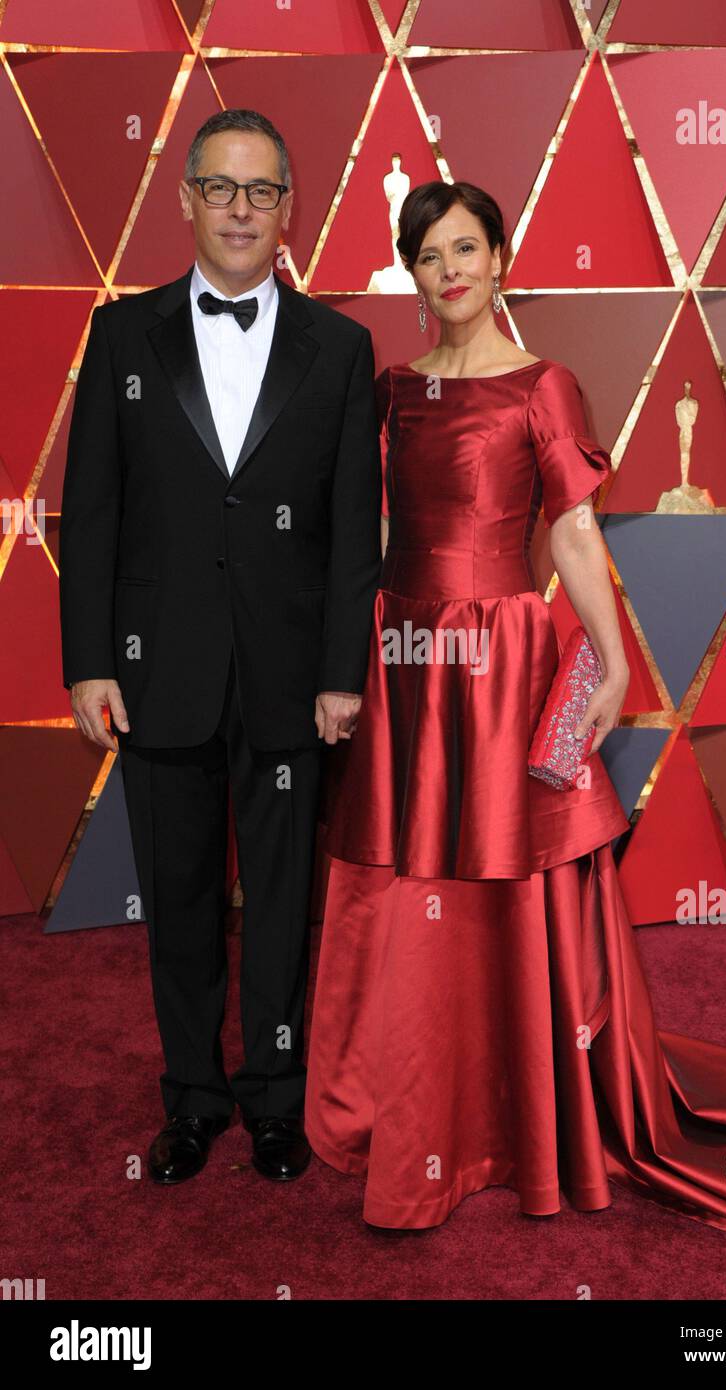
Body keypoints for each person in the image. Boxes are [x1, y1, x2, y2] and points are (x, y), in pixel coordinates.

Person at [304, 180, 726, 1248]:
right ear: (409, 273)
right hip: (406, 654)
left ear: (501, 257)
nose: (448, 270)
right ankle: (413, 1098)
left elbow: (567, 535)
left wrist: (605, 660)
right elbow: (354, 533)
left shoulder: (541, 388)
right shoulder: (392, 388)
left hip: (499, 657)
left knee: (501, 875)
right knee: (412, 871)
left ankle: (514, 1110)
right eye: (426, 255)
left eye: (465, 248)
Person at [59, 109, 382, 1185]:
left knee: (285, 905)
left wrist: (343, 670)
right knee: (180, 899)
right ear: (186, 199)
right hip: (158, 675)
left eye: (262, 192)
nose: (241, 211)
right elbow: (92, 512)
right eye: (221, 188)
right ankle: (192, 1098)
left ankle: (276, 1102)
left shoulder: (340, 348)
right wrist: (88, 659)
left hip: (295, 681)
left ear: (289, 209)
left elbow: (351, 533)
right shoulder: (121, 335)